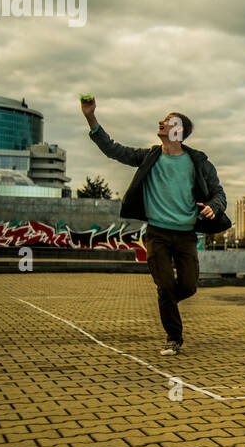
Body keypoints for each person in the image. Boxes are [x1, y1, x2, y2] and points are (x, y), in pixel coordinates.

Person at [80, 96, 227, 355]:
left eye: (169, 121)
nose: (162, 122)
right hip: (157, 233)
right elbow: (114, 149)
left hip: (186, 234)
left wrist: (213, 207)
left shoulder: (199, 162)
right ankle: (174, 337)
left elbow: (219, 194)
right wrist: (91, 117)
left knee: (189, 286)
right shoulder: (149, 156)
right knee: (166, 286)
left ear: (179, 131)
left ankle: (166, 302)